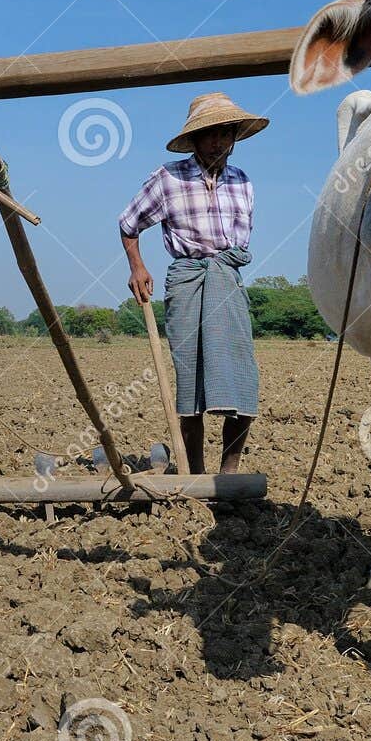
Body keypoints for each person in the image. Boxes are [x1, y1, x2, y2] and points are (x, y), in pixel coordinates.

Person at [118, 92, 267, 474]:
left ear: (234, 136)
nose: (217, 141)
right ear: (196, 139)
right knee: (190, 382)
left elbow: (240, 243)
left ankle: (229, 472)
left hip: (227, 280)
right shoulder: (168, 178)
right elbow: (129, 223)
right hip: (186, 281)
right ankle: (195, 473)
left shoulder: (243, 183)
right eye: (209, 134)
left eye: (224, 133)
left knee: (242, 379)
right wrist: (137, 267)